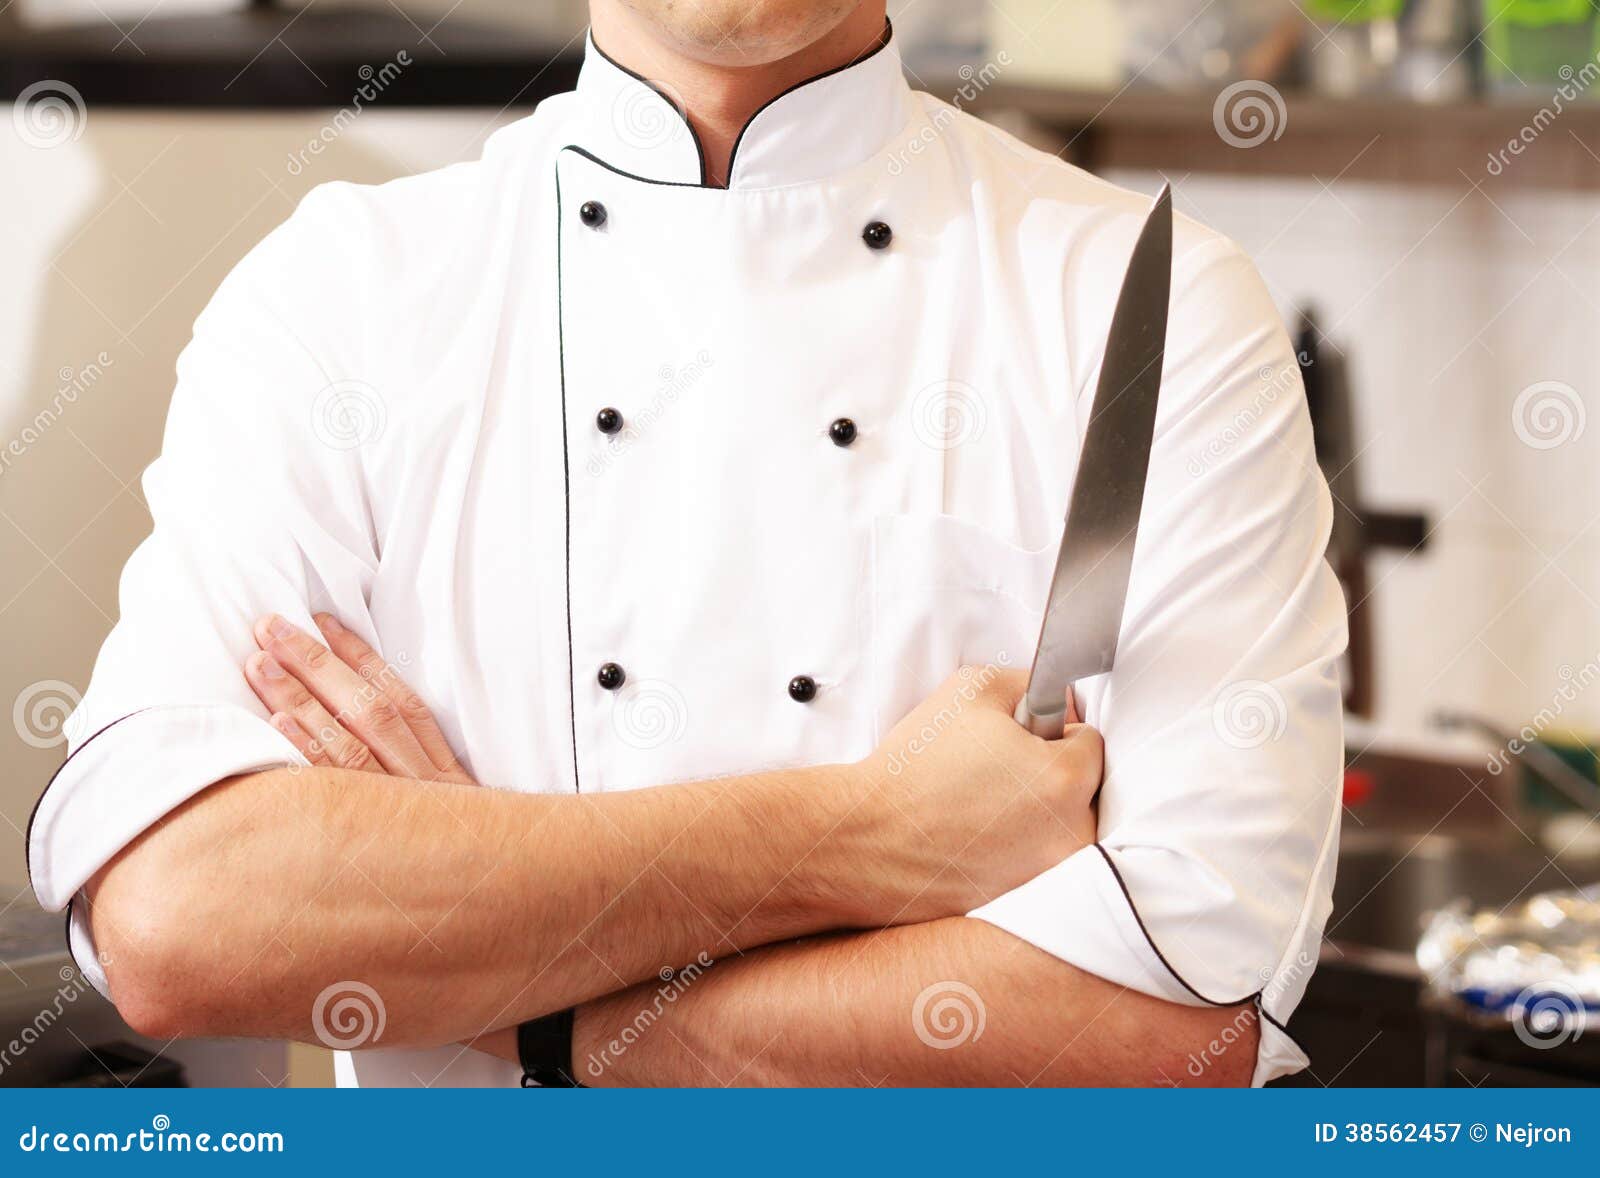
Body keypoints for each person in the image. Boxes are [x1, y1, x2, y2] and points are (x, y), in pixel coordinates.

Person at [25, 0, 1346, 1087]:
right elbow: (174, 916)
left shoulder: (1138, 304)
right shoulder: (343, 297)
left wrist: (518, 995)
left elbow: (1181, 1031)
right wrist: (867, 832)